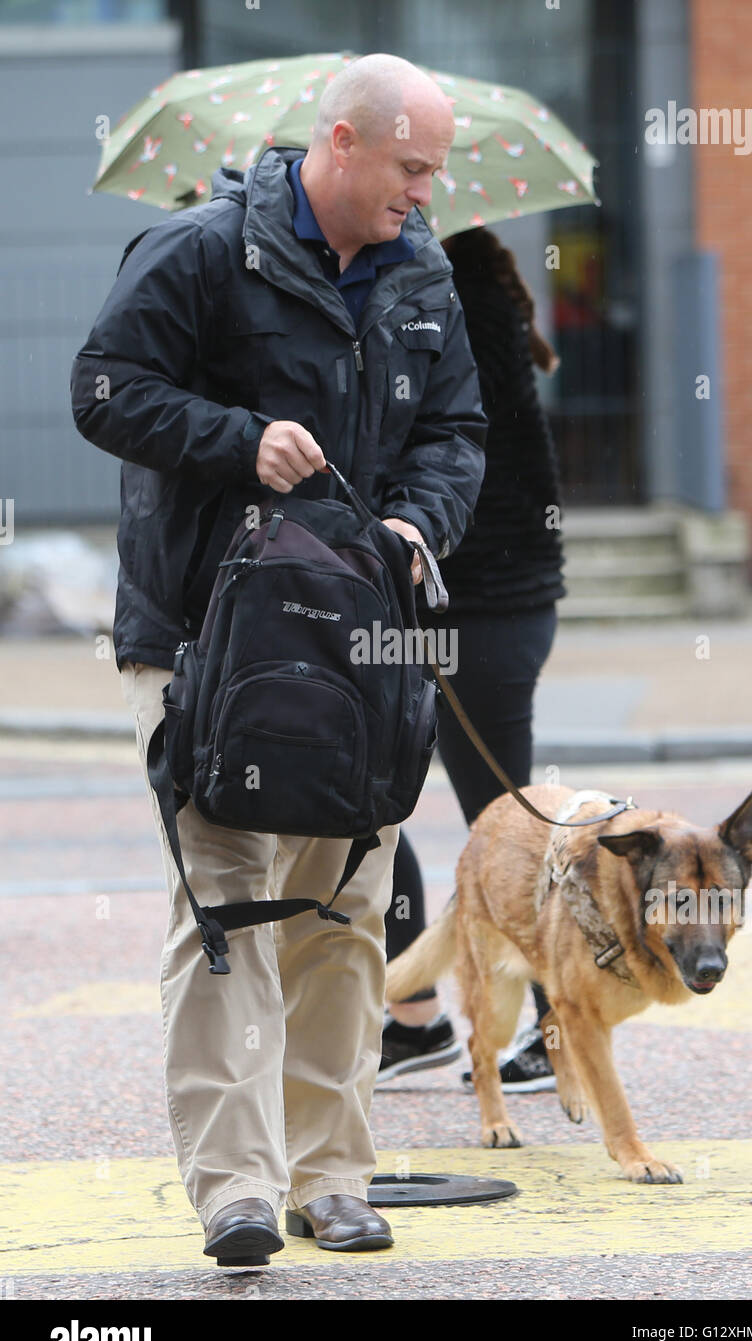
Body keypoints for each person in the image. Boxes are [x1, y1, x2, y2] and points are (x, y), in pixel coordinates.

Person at [70, 53, 486, 1264]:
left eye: (436, 171)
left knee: (346, 913)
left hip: (364, 633)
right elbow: (103, 388)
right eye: (412, 167)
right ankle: (235, 1192)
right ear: (343, 144)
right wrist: (240, 440)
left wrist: (421, 519)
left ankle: (333, 1179)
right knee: (228, 905)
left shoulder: (424, 272)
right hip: (205, 636)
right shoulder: (199, 249)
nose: (426, 190)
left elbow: (458, 431)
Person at [380, 226, 565, 1092]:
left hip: (481, 605)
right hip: (446, 601)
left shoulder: (448, 308)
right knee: (366, 807)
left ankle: (559, 1027)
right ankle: (414, 1022)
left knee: (506, 832)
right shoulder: (453, 297)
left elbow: (451, 455)